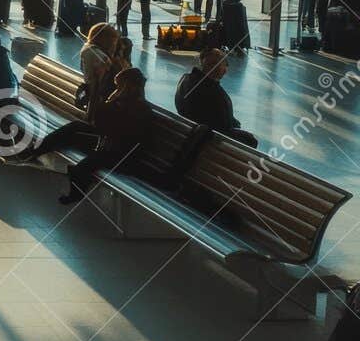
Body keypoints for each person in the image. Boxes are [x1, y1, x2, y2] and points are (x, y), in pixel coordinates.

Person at [13, 22, 125, 164]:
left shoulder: (107, 63)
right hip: (104, 133)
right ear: (105, 41)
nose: (114, 46)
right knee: (73, 129)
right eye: (113, 42)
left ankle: (32, 153)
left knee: (72, 130)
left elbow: (99, 100)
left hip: (107, 139)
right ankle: (32, 152)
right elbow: (97, 94)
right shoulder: (106, 61)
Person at [59, 67, 153, 205]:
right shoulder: (133, 105)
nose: (116, 91)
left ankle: (76, 194)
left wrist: (111, 102)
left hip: (122, 157)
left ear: (127, 87)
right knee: (74, 130)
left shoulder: (136, 108)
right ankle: (36, 150)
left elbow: (103, 126)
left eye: (119, 87)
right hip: (112, 148)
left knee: (81, 168)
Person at [173, 48, 256, 147]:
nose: (226, 69)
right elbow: (224, 125)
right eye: (225, 65)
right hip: (207, 138)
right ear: (221, 69)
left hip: (188, 128)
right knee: (251, 140)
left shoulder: (186, 79)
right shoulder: (215, 94)